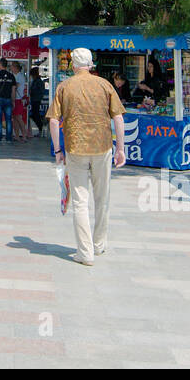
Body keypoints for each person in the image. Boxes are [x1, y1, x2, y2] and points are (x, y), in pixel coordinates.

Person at [46, 47, 126, 266]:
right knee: (103, 198)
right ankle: (99, 244)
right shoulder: (105, 85)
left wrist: (58, 150)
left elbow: (53, 121)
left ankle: (85, 252)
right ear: (91, 65)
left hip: (76, 148)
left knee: (80, 202)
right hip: (102, 148)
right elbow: (118, 118)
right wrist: (120, 148)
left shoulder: (64, 87)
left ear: (73, 65)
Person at [0, 58, 17, 143]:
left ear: (1, 64)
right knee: (8, 119)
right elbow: (13, 90)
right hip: (8, 99)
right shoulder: (11, 76)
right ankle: (9, 138)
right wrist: (13, 101)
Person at [10, 60, 29, 140]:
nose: (11, 68)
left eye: (12, 66)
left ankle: (24, 134)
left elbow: (15, 86)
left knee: (18, 117)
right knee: (14, 117)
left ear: (15, 67)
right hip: (15, 98)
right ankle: (17, 135)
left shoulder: (19, 76)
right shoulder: (15, 75)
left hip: (18, 98)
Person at [29, 66, 48, 135]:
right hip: (35, 99)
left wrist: (33, 92)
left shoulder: (38, 81)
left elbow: (39, 90)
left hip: (36, 99)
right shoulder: (36, 81)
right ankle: (40, 126)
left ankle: (40, 126)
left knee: (35, 114)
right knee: (34, 114)